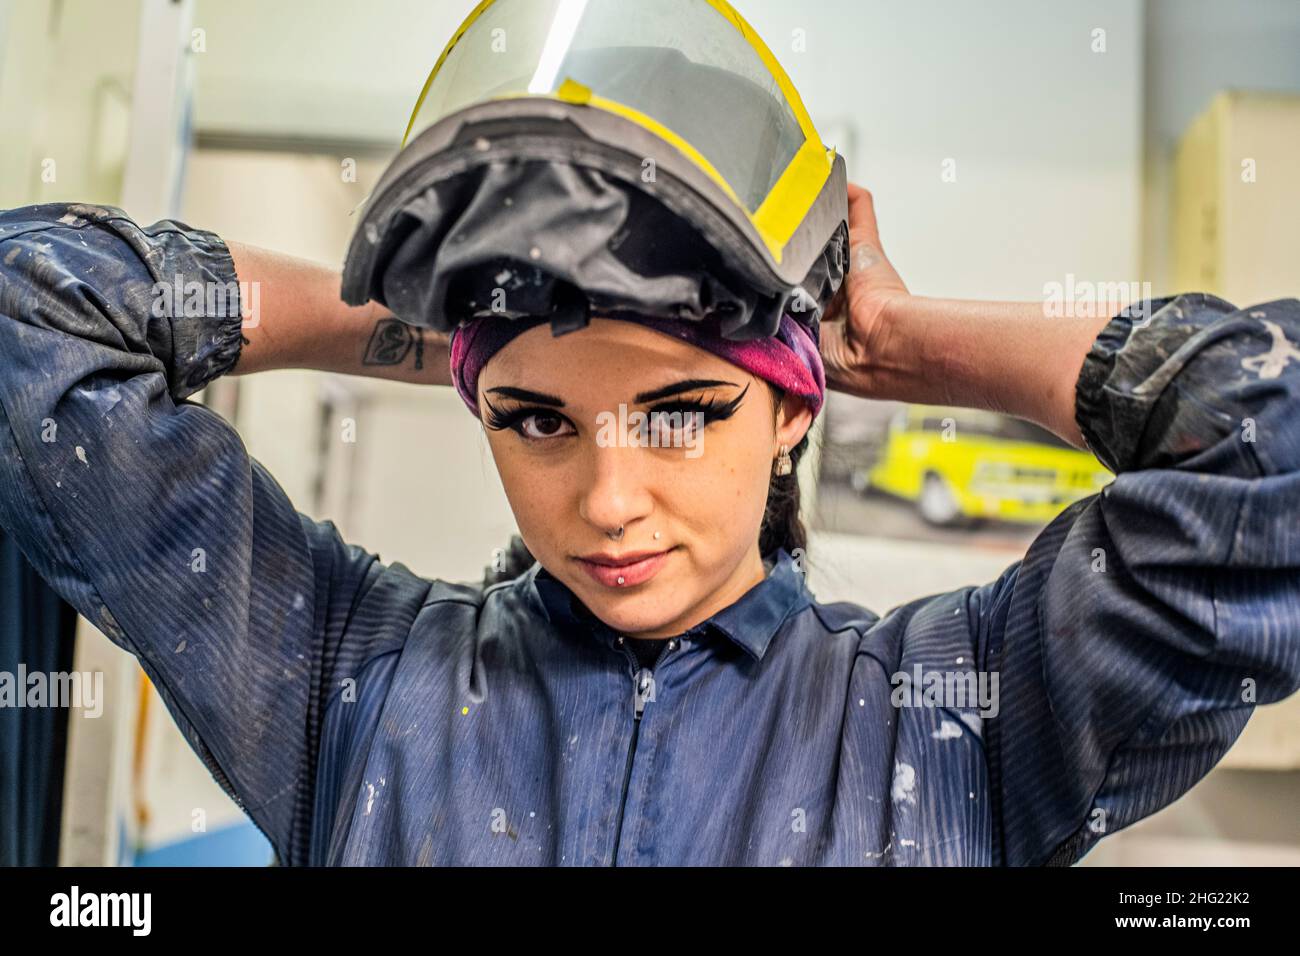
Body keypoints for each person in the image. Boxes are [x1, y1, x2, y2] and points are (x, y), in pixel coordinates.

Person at [2, 0, 1298, 864]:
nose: (608, 498)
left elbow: (1272, 443)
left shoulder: (949, 726)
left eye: (680, 413)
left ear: (794, 407)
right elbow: (32, 306)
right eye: (534, 420)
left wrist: (896, 342)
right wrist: (417, 319)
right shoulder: (347, 682)